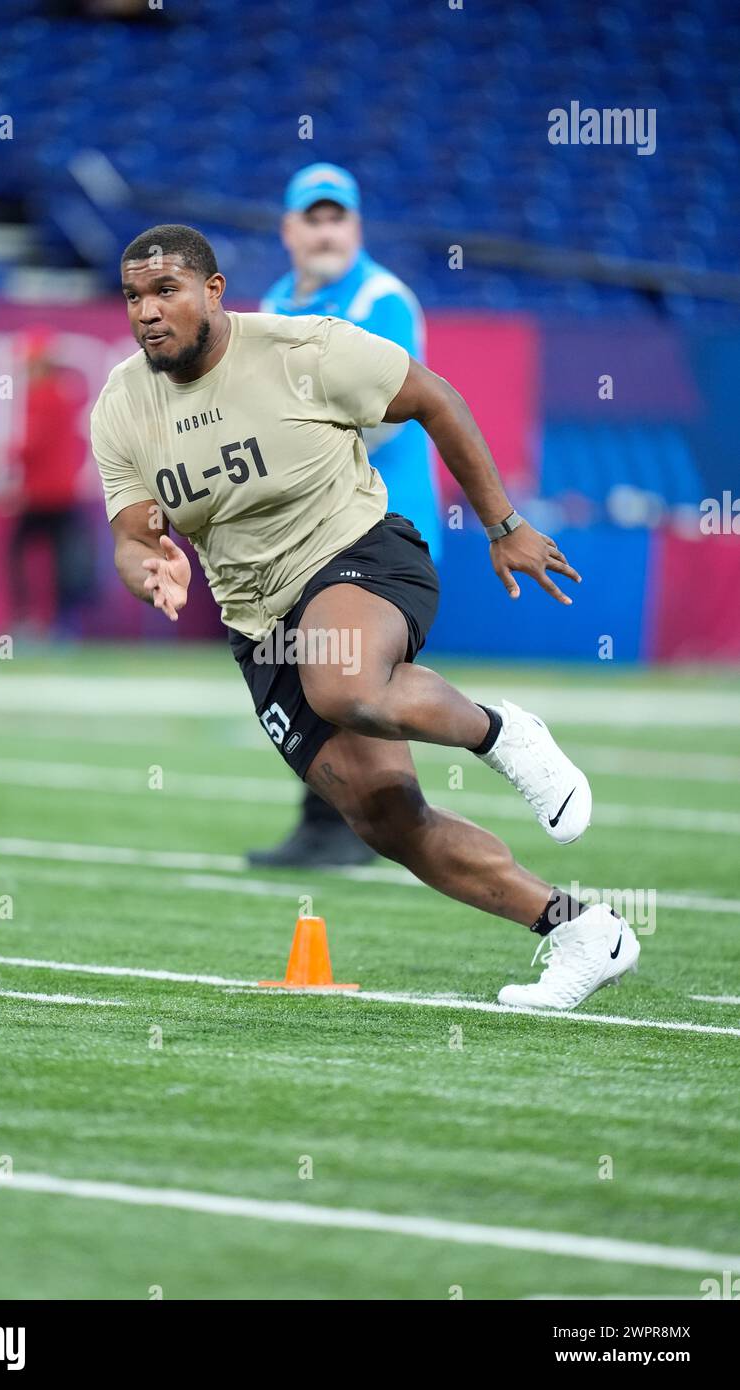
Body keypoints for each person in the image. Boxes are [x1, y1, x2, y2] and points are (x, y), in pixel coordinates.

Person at [90, 223, 641, 1010]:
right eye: (134, 296)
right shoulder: (120, 403)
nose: (147, 311)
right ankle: (583, 932)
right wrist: (147, 561)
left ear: (214, 291)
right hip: (260, 624)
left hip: (361, 553)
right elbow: (132, 532)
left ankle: (502, 732)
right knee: (386, 818)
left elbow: (435, 398)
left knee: (344, 684)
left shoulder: (301, 350)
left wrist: (503, 525)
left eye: (166, 290)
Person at [250, 162, 440, 868]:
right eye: (314, 217)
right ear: (289, 230)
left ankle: (394, 822)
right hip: (308, 528)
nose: (326, 230)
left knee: (357, 679)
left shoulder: (382, 298)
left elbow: (383, 412)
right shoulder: (273, 300)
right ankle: (326, 822)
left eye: (338, 218)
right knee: (314, 673)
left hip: (383, 521)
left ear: (356, 228)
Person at [9, 327, 91, 636]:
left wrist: (1, 454)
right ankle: (63, 624)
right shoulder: (64, 392)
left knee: (18, 553)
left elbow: (33, 444)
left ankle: (25, 619)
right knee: (61, 559)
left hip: (42, 494)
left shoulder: (41, 395)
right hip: (64, 492)